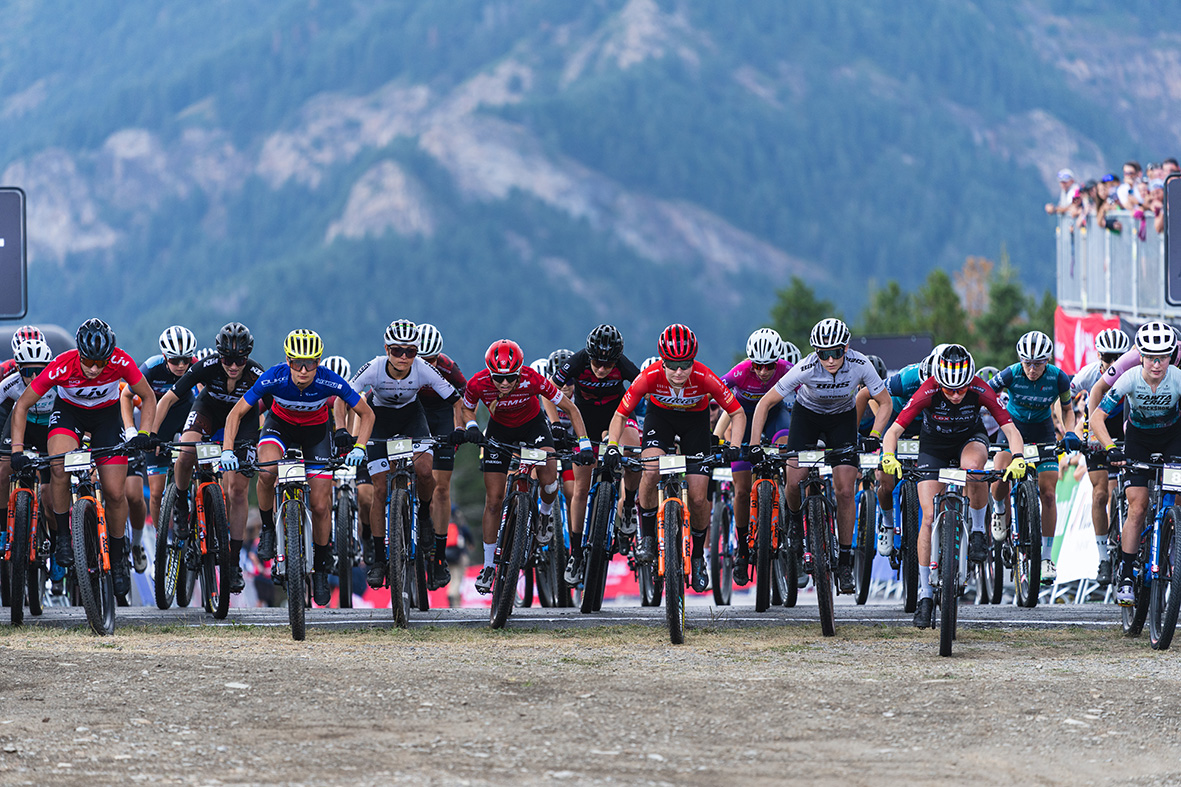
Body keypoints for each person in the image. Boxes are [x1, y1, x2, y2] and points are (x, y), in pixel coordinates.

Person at [219, 329, 374, 606]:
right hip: (279, 428)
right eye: (297, 363)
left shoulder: (329, 380)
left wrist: (360, 446)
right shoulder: (275, 377)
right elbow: (236, 413)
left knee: (321, 504)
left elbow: (367, 413)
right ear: (287, 361)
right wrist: (228, 449)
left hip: (315, 435)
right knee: (267, 472)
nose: (303, 370)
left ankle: (322, 569)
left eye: (310, 363)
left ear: (319, 362)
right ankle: (268, 530)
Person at [10, 318, 158, 599]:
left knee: (115, 493)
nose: (93, 368)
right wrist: (17, 450)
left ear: (110, 356)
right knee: (58, 467)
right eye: (88, 361)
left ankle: (117, 560)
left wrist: (143, 432)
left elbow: (147, 397)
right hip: (69, 416)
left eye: (100, 363)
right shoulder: (63, 364)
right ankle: (63, 539)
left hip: (106, 419)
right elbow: (23, 405)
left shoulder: (120, 360)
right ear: (79, 353)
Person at [880, 344, 1026, 628]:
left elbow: (1009, 429)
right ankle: (924, 595)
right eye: (950, 390)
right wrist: (888, 456)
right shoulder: (929, 390)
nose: (957, 395)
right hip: (933, 446)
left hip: (969, 439)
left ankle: (980, 531)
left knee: (973, 469)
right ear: (939, 382)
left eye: (962, 389)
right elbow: (895, 430)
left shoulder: (980, 388)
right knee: (928, 517)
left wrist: (1018, 457)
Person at [749, 318, 892, 595]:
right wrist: (755, 444)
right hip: (807, 418)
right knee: (793, 481)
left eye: (835, 353)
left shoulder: (861, 364)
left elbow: (885, 402)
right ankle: (794, 527)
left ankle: (846, 562)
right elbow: (766, 402)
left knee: (845, 489)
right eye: (823, 353)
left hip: (841, 420)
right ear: (815, 352)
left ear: (846, 348)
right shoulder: (805, 367)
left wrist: (875, 434)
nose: (829, 360)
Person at [602, 324, 745, 594]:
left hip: (695, 425)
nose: (679, 372)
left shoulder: (704, 376)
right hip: (661, 421)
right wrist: (611, 445)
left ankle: (699, 557)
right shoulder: (649, 376)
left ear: (694, 361)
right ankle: (645, 537)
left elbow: (737, 412)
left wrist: (734, 445)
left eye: (685, 364)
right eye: (672, 365)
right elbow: (620, 415)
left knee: (700, 497)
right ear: (662, 361)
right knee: (651, 470)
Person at [460, 338, 594, 595]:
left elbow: (571, 409)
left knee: (550, 481)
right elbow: (466, 410)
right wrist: (472, 426)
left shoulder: (532, 378)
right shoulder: (478, 383)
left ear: (520, 370)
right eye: (499, 378)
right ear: (490, 374)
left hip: (534, 427)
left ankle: (544, 516)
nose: (506, 383)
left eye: (511, 377)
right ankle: (489, 566)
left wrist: (584, 445)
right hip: (499, 431)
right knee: (493, 500)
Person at [338, 319, 461, 592]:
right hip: (380, 421)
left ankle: (425, 517)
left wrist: (463, 427)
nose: (404, 357)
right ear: (386, 349)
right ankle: (380, 561)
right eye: (397, 351)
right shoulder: (374, 367)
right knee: (379, 490)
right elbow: (341, 397)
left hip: (412, 420)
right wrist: (341, 430)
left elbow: (456, 399)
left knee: (426, 472)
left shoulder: (423, 369)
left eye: (410, 351)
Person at [152, 322, 265, 595]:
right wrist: (153, 434)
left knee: (237, 491)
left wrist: (261, 443)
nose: (234, 366)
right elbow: (167, 399)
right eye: (228, 359)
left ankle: (234, 562)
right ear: (219, 355)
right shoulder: (206, 366)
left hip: (243, 423)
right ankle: (180, 500)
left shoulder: (256, 373)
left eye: (240, 360)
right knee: (187, 449)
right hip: (207, 411)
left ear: (247, 356)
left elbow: (271, 413)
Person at [1090, 321, 1181, 606]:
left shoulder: (1177, 378)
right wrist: (1110, 446)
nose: (1157, 364)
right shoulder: (1128, 378)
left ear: (1172, 356)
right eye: (1151, 357)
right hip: (1138, 441)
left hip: (1172, 439)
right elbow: (1097, 417)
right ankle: (1127, 574)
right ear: (1140, 355)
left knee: (1176, 503)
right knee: (1138, 506)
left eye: (1163, 357)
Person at [550, 324, 644, 586]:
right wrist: (556, 422)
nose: (601, 369)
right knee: (580, 489)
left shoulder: (623, 364)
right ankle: (576, 553)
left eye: (608, 364)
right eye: (596, 362)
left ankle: (627, 507)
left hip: (619, 416)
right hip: (586, 422)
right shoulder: (578, 360)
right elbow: (549, 391)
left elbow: (643, 387)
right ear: (588, 354)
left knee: (634, 452)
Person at [989, 330, 1076, 585]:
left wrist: (1070, 432)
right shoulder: (1011, 373)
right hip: (1012, 428)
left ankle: (1046, 558)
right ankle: (999, 509)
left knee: (1048, 493)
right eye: (1027, 362)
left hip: (1042, 431)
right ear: (1020, 360)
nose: (1032, 369)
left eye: (1038, 363)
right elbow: (985, 394)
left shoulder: (1058, 378)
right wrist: (993, 418)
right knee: (999, 478)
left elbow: (1068, 409)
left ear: (1047, 361)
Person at [715, 328, 793, 585]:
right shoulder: (739, 372)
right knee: (741, 490)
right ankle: (742, 549)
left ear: (777, 361)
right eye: (757, 366)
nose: (762, 372)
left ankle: (786, 507)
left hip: (774, 417)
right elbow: (716, 394)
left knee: (787, 450)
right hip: (745, 421)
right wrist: (715, 438)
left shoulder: (787, 368)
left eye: (768, 366)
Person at [119, 325, 197, 574]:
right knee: (156, 493)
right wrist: (132, 430)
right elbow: (126, 396)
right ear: (165, 357)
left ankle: (197, 512)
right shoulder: (151, 368)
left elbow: (207, 396)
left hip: (186, 417)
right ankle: (162, 537)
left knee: (196, 465)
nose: (182, 365)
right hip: (157, 426)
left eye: (186, 359)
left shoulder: (196, 365)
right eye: (175, 360)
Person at [1069, 327, 1131, 585]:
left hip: (1122, 428)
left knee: (1124, 490)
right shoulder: (1088, 374)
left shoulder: (1133, 372)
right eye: (1107, 358)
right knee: (1100, 493)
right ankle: (1103, 557)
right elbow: (1066, 395)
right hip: (1096, 427)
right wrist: (1074, 427)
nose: (1112, 364)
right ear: (1098, 356)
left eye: (1118, 357)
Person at [414, 323, 466, 576]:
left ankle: (439, 554)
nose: (428, 364)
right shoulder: (403, 364)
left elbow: (466, 398)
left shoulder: (448, 367)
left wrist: (461, 428)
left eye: (432, 359)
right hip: (414, 414)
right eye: (423, 359)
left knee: (441, 488)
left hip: (443, 415)